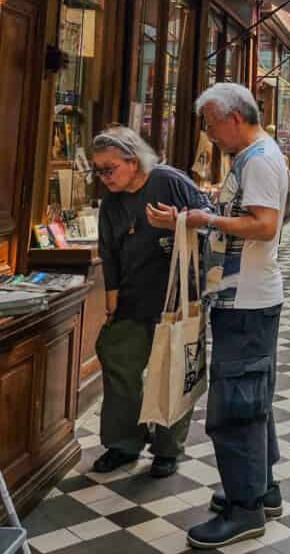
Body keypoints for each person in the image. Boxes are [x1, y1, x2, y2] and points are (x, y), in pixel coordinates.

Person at [147, 83, 290, 549]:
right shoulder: (251, 157)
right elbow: (242, 215)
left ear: (233, 117)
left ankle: (245, 509)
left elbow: (264, 225)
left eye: (209, 123)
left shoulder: (261, 159)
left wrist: (202, 221)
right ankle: (260, 489)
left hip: (246, 300)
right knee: (252, 397)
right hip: (239, 298)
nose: (207, 133)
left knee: (236, 404)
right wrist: (191, 216)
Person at [92, 126, 210, 479]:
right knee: (119, 363)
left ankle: (167, 449)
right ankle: (123, 443)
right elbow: (109, 252)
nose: (103, 178)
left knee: (173, 371)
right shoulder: (112, 203)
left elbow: (210, 219)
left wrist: (179, 222)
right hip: (131, 297)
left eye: (109, 169)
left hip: (177, 295)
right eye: (97, 171)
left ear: (133, 160)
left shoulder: (169, 181)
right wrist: (111, 298)